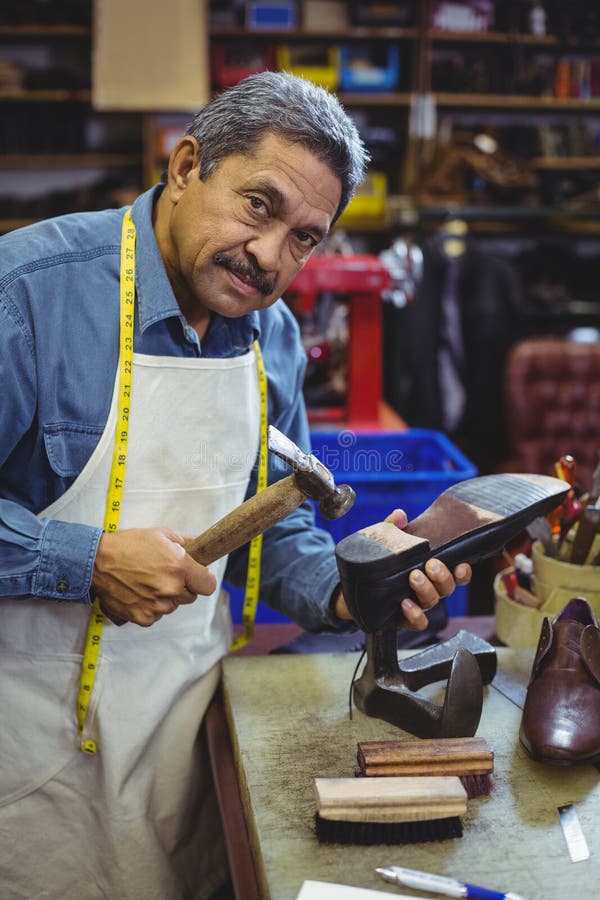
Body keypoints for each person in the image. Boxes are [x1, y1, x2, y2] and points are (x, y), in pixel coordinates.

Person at [0, 71, 471, 899]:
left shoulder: (272, 339)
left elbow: (276, 524)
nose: (270, 256)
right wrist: (86, 559)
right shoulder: (30, 295)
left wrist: (352, 591)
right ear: (186, 167)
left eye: (304, 238)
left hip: (190, 736)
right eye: (260, 205)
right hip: (27, 751)